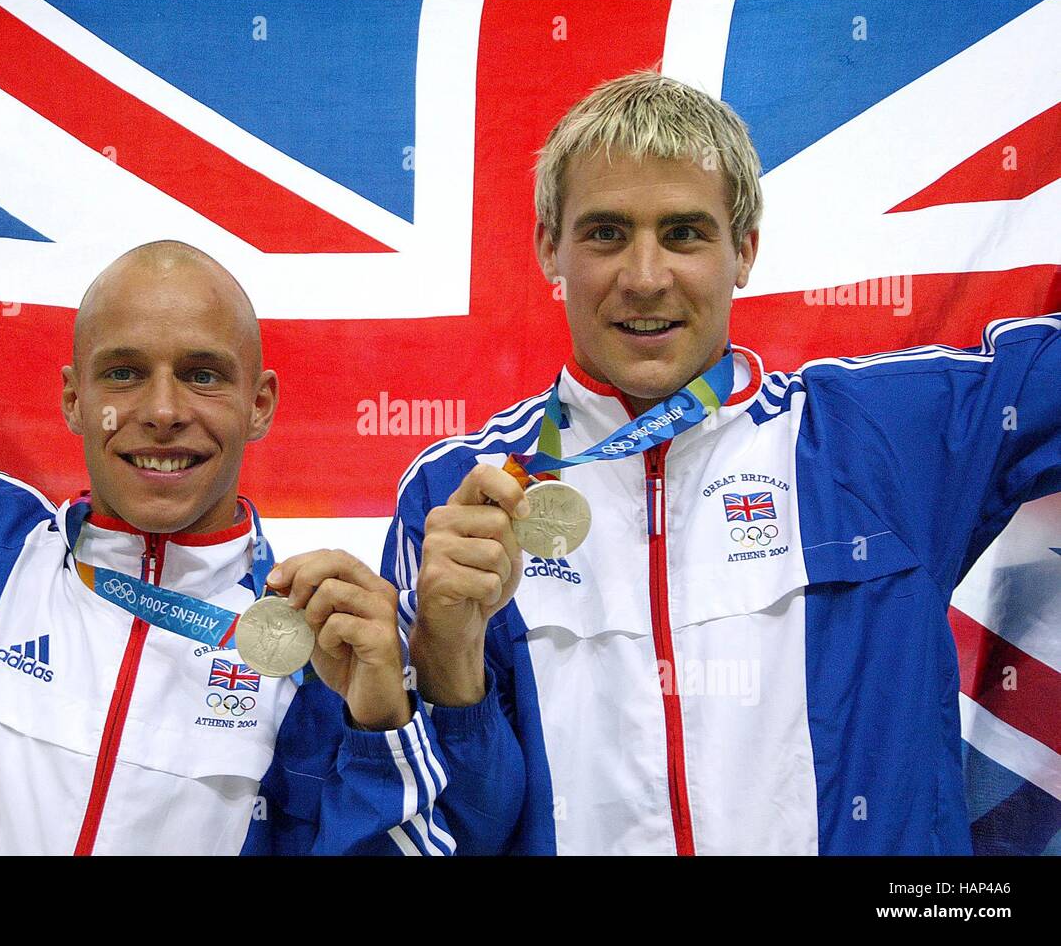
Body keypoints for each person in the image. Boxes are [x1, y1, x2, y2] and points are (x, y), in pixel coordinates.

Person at [384, 70, 1061, 854]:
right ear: (549, 250)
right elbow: (464, 829)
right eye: (605, 233)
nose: (644, 277)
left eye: (684, 233)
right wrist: (449, 658)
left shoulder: (882, 439)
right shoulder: (456, 494)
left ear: (743, 251)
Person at [0, 230, 491, 855]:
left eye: (203, 375)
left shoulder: (318, 651)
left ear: (259, 403)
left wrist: (379, 728)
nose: (164, 411)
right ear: (74, 397)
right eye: (125, 374)